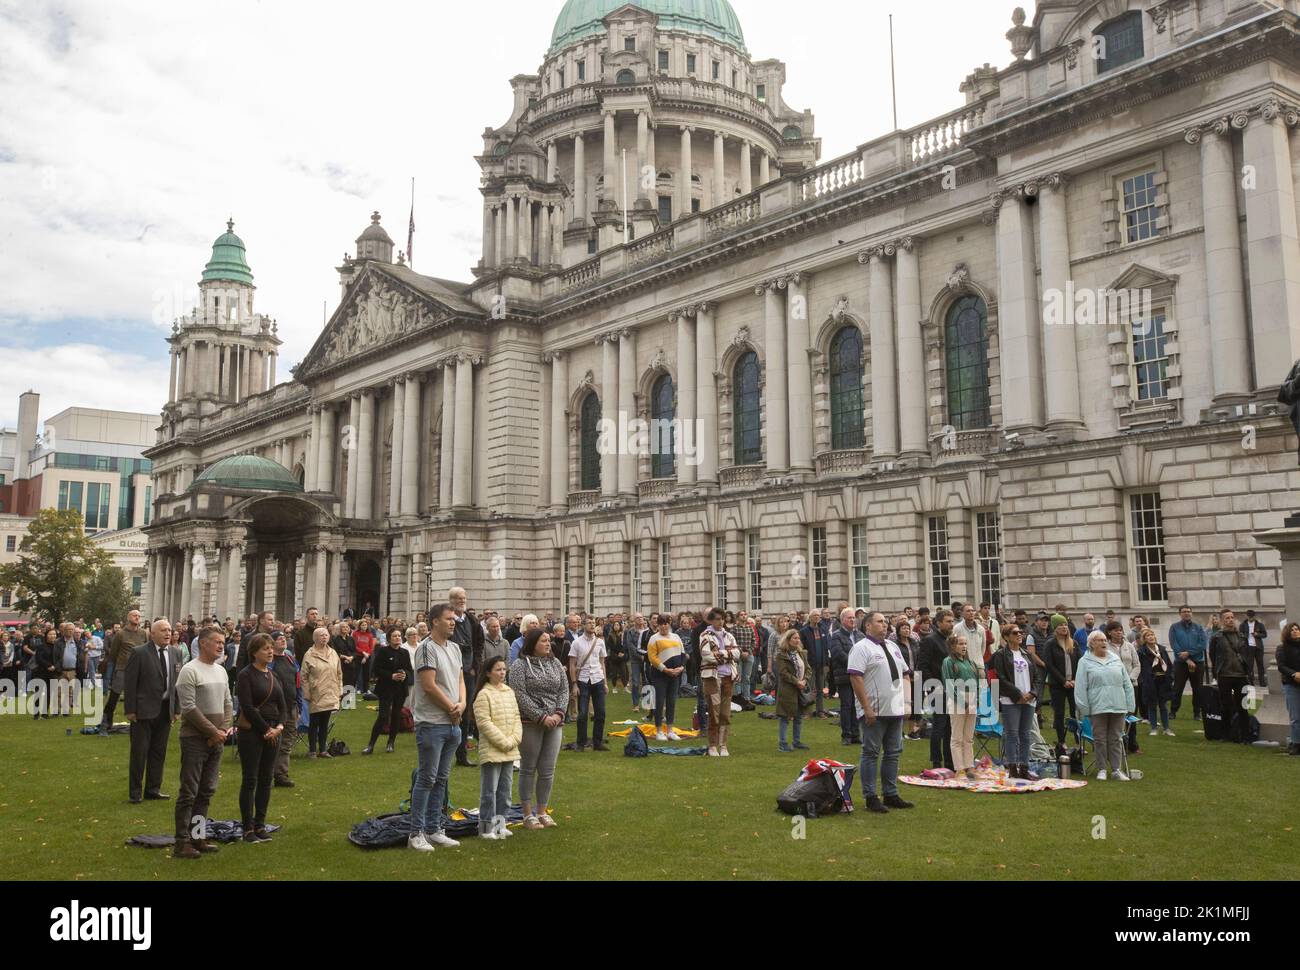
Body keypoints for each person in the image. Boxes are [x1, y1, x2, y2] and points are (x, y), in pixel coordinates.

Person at [408, 604, 467, 852]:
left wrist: (462, 704)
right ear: (434, 622)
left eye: (454, 618)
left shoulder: (454, 648)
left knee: (441, 778)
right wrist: (451, 707)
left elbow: (460, 680)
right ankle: (416, 833)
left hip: (452, 722)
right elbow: (429, 685)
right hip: (432, 722)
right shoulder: (426, 649)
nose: (453, 622)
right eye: (448, 619)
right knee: (427, 777)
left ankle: (434, 828)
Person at [172, 626, 233, 859]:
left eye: (222, 642)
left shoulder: (221, 671)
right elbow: (188, 708)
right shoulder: (189, 671)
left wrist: (223, 729)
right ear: (203, 643)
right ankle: (182, 841)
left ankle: (198, 836)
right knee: (189, 791)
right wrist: (212, 732)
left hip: (217, 738)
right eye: (216, 642)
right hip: (195, 739)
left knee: (206, 791)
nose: (221, 645)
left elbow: (228, 703)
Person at [848, 612, 913, 813]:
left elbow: (905, 675)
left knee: (893, 753)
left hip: (895, 709)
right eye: (879, 622)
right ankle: (870, 796)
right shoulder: (860, 648)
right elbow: (856, 678)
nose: (884, 625)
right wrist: (867, 708)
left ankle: (890, 793)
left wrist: (907, 703)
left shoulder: (893, 646)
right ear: (868, 626)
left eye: (885, 622)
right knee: (871, 752)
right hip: (875, 710)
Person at [508, 628, 568, 832]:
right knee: (528, 767)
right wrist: (541, 717)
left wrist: (559, 713)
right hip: (531, 723)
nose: (548, 644)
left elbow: (564, 690)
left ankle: (542, 812)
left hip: (555, 721)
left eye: (549, 641)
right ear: (533, 643)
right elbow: (520, 694)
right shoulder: (519, 666)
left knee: (547, 770)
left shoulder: (556, 663)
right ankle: (527, 814)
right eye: (544, 641)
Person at [123, 619, 183, 803]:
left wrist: (176, 708)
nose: (168, 633)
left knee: (159, 752)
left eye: (169, 630)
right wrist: (130, 709)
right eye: (163, 630)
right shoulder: (139, 653)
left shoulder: (176, 653)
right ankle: (135, 792)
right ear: (153, 634)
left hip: (165, 710)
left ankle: (153, 789)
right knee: (140, 752)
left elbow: (176, 684)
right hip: (143, 710)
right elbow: (130, 682)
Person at [235, 633, 287, 844]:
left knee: (266, 779)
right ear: (254, 652)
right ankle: (248, 827)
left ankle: (260, 823)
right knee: (250, 779)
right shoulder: (246, 675)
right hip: (252, 733)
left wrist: (279, 727)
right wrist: (267, 729)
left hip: (273, 732)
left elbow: (283, 705)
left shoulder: (273, 675)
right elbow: (246, 706)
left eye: (271, 648)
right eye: (265, 648)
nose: (270, 652)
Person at [1074, 630, 1135, 780]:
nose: (1104, 643)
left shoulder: (1115, 659)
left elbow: (1127, 683)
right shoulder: (1084, 661)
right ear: (1092, 643)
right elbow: (1080, 686)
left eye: (1104, 640)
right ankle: (1101, 769)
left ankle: (1116, 769)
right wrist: (1084, 708)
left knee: (1116, 738)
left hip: (1118, 704)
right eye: (1100, 640)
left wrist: (1130, 705)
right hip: (1097, 706)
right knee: (1100, 738)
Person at [472, 657, 522, 840]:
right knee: (489, 792)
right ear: (488, 673)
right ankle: (486, 828)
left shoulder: (509, 691)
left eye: (504, 669)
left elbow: (517, 717)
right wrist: (503, 742)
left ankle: (501, 825)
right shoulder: (484, 695)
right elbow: (484, 723)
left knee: (505, 791)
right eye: (498, 669)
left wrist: (514, 738)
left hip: (509, 748)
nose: (502, 673)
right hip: (493, 750)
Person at [991, 624, 1037, 779]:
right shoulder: (1001, 655)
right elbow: (1001, 678)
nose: (1019, 635)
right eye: (1015, 632)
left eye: (1021, 632)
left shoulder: (1027, 654)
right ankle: (1012, 767)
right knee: (1011, 734)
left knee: (1025, 734)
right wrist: (1018, 695)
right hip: (1011, 699)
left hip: (1029, 700)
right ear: (1006, 636)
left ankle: (1024, 767)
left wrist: (1032, 694)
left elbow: (1037, 678)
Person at [448, 587, 484, 767]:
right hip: (449, 672)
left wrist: (474, 667)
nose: (462, 601)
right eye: (458, 598)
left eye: (463, 598)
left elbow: (479, 646)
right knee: (449, 710)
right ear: (451, 600)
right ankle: (447, 750)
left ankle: (461, 754)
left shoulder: (472, 621)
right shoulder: (446, 620)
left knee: (465, 711)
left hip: (468, 673)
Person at [916, 609, 956, 769]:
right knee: (939, 725)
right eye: (948, 621)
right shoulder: (930, 640)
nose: (951, 624)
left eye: (952, 621)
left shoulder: (951, 641)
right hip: (937, 688)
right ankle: (936, 760)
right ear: (938, 623)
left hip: (953, 688)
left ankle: (949, 760)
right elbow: (923, 666)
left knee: (950, 727)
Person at [364, 627, 413, 755]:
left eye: (399, 636)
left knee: (397, 715)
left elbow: (409, 669)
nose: (397, 638)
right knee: (383, 716)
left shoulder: (404, 652)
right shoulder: (383, 651)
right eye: (394, 636)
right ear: (389, 639)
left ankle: (391, 742)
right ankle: (371, 744)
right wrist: (391, 675)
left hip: (400, 689)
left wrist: (404, 675)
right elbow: (376, 669)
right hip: (386, 688)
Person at [697, 609, 737, 755]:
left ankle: (724, 745)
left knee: (725, 713)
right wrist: (727, 655)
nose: (721, 622)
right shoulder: (705, 635)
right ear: (711, 620)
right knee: (714, 712)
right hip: (711, 677)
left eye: (723, 619)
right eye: (718, 619)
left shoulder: (729, 635)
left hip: (728, 677)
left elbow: (737, 653)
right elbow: (706, 655)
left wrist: (721, 654)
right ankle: (713, 745)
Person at [941, 633, 980, 781]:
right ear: (952, 646)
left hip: (972, 699)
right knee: (957, 737)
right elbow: (949, 684)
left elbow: (976, 683)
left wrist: (976, 700)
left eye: (965, 644)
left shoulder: (971, 663)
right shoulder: (949, 662)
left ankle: (969, 766)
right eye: (960, 644)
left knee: (968, 737)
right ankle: (959, 769)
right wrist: (962, 701)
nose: (964, 646)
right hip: (958, 700)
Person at [1209, 608, 1251, 742]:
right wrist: (1216, 672)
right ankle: (1225, 734)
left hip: (1240, 675)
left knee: (1243, 706)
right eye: (1227, 618)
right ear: (1222, 621)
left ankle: (1245, 735)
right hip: (1224, 674)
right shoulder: (1216, 637)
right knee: (1225, 705)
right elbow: (1213, 655)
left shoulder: (1242, 636)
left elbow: (1247, 655)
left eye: (1232, 617)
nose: (1230, 620)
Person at [568, 616, 609, 752]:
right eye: (589, 623)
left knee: (601, 713)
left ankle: (597, 742)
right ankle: (581, 743)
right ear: (583, 625)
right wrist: (574, 684)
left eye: (593, 623)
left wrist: (605, 682)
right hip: (583, 680)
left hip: (598, 679)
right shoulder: (577, 643)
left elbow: (602, 663)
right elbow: (572, 664)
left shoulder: (600, 642)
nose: (592, 625)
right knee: (583, 713)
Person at [301, 626, 342, 758]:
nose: (324, 637)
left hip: (331, 691)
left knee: (325, 722)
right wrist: (307, 693)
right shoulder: (309, 654)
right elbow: (303, 676)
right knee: (314, 722)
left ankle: (323, 749)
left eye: (326, 635)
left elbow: (339, 673)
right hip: (316, 693)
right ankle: (312, 750)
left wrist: (339, 689)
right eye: (321, 635)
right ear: (315, 638)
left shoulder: (333, 653)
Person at [1041, 614, 1079, 751]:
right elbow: (1049, 665)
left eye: (1065, 625)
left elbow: (1079, 662)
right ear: (1055, 628)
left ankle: (1078, 741)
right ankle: (1061, 741)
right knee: (1059, 713)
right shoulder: (1050, 644)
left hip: (1074, 683)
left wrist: (1074, 679)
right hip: (1057, 685)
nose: (1064, 627)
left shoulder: (1073, 643)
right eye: (1060, 625)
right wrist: (1063, 681)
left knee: (1076, 712)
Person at [269, 633, 300, 788]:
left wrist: (298, 704)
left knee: (287, 741)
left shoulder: (290, 659)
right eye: (279, 639)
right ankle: (268, 772)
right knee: (273, 742)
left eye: (284, 638)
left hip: (291, 706)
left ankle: (281, 774)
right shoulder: (270, 661)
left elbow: (297, 682)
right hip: (276, 708)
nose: (283, 640)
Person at [829, 609, 863, 746]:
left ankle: (856, 734)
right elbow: (838, 654)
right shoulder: (836, 636)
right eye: (849, 618)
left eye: (853, 618)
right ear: (842, 620)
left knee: (857, 705)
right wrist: (854, 664)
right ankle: (846, 735)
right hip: (844, 675)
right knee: (847, 705)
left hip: (859, 675)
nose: (852, 620)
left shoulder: (860, 635)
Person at [775, 629, 812, 752]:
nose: (797, 640)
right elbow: (783, 673)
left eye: (798, 638)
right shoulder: (781, 655)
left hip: (800, 689)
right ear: (788, 640)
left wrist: (804, 681)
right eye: (794, 638)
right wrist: (797, 682)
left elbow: (808, 669)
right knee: (785, 717)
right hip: (787, 690)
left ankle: (797, 741)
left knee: (799, 716)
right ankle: (783, 743)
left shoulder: (802, 653)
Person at [1169, 606, 1207, 721]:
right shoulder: (1174, 627)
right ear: (1180, 614)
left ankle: (1197, 713)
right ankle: (1173, 712)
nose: (1186, 613)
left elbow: (1203, 644)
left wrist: (1189, 653)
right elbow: (1174, 645)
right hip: (1181, 663)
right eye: (1184, 612)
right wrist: (1186, 659)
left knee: (1198, 689)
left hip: (1198, 663)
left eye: (1188, 611)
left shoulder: (1198, 627)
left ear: (1192, 613)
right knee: (1177, 688)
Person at [1110, 620, 1142, 756]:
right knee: (1117, 715)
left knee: (1131, 714)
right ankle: (1118, 743)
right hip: (1114, 686)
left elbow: (1136, 664)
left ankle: (1133, 744)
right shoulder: (1106, 647)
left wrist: (1131, 678)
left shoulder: (1129, 646)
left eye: (1120, 630)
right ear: (1109, 632)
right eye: (1116, 630)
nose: (1119, 632)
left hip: (1131, 684)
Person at [1137, 626, 1175, 737]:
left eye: (1152, 635)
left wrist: (1171, 676)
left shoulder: (1161, 649)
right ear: (1144, 639)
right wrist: (1143, 680)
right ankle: (1153, 728)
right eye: (1148, 636)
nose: (1151, 637)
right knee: (1152, 705)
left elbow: (1168, 663)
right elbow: (1140, 666)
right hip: (1150, 681)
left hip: (1163, 680)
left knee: (1163, 705)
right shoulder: (1142, 651)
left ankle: (1166, 728)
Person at [1276, 622, 1300, 755]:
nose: (1296, 631)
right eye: (1293, 630)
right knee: (1296, 716)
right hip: (1291, 685)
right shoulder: (1282, 648)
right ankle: (1296, 743)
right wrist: (1294, 674)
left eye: (1297, 629)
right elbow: (1281, 666)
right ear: (1287, 633)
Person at [624, 613, 649, 709]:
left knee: (646, 681)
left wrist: (646, 656)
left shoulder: (647, 631)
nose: (639, 619)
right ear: (634, 620)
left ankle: (646, 702)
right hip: (635, 660)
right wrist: (640, 655)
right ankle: (636, 704)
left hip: (646, 659)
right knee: (635, 682)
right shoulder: (630, 632)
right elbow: (630, 646)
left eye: (641, 617)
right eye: (637, 618)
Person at [1239, 610, 1268, 689]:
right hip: (1248, 647)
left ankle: (1262, 682)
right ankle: (1250, 682)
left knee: (1260, 665)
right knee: (1249, 665)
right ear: (1247, 616)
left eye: (1252, 617)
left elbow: (1265, 634)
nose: (1251, 618)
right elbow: (1239, 634)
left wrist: (1257, 634)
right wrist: (1245, 635)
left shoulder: (1259, 625)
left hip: (1258, 647)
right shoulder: (1243, 625)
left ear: (1254, 616)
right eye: (1249, 617)